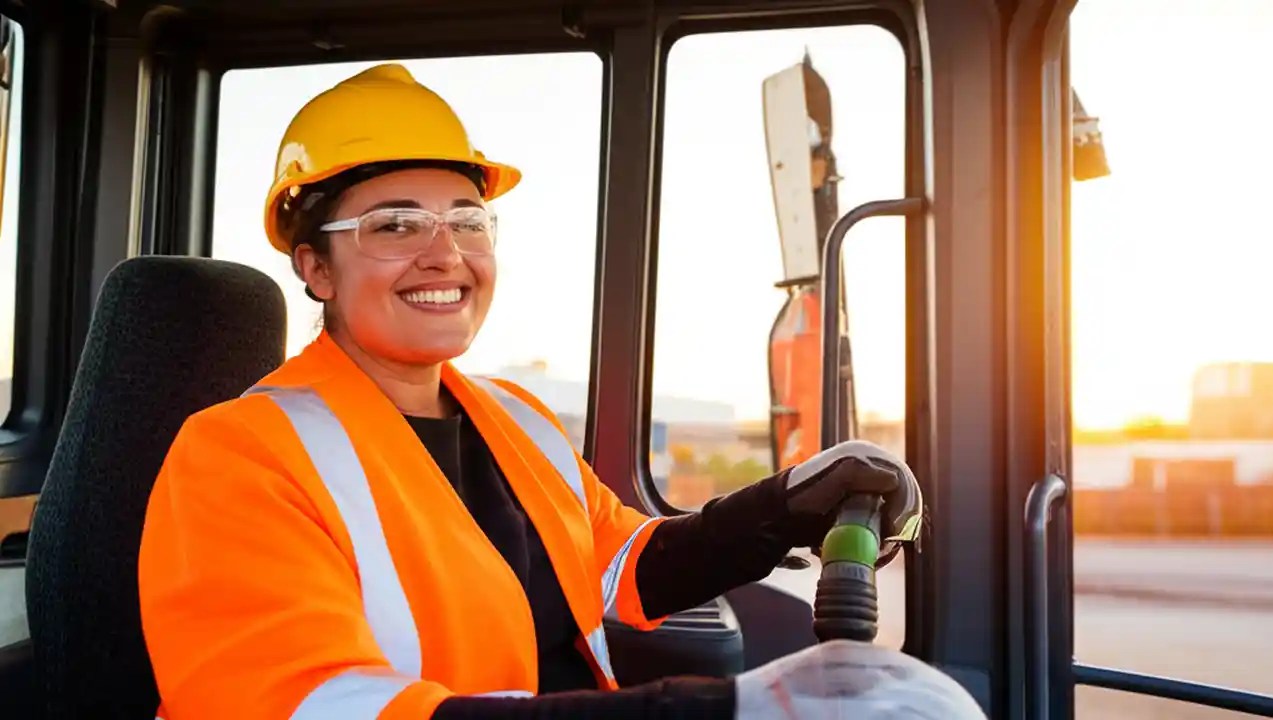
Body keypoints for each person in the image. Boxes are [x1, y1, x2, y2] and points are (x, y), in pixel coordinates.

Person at [137, 64, 957, 720]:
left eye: (467, 219)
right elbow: (308, 706)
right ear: (315, 267)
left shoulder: (512, 418)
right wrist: (709, 711)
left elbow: (619, 567)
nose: (444, 253)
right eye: (393, 224)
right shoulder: (239, 456)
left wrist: (787, 506)